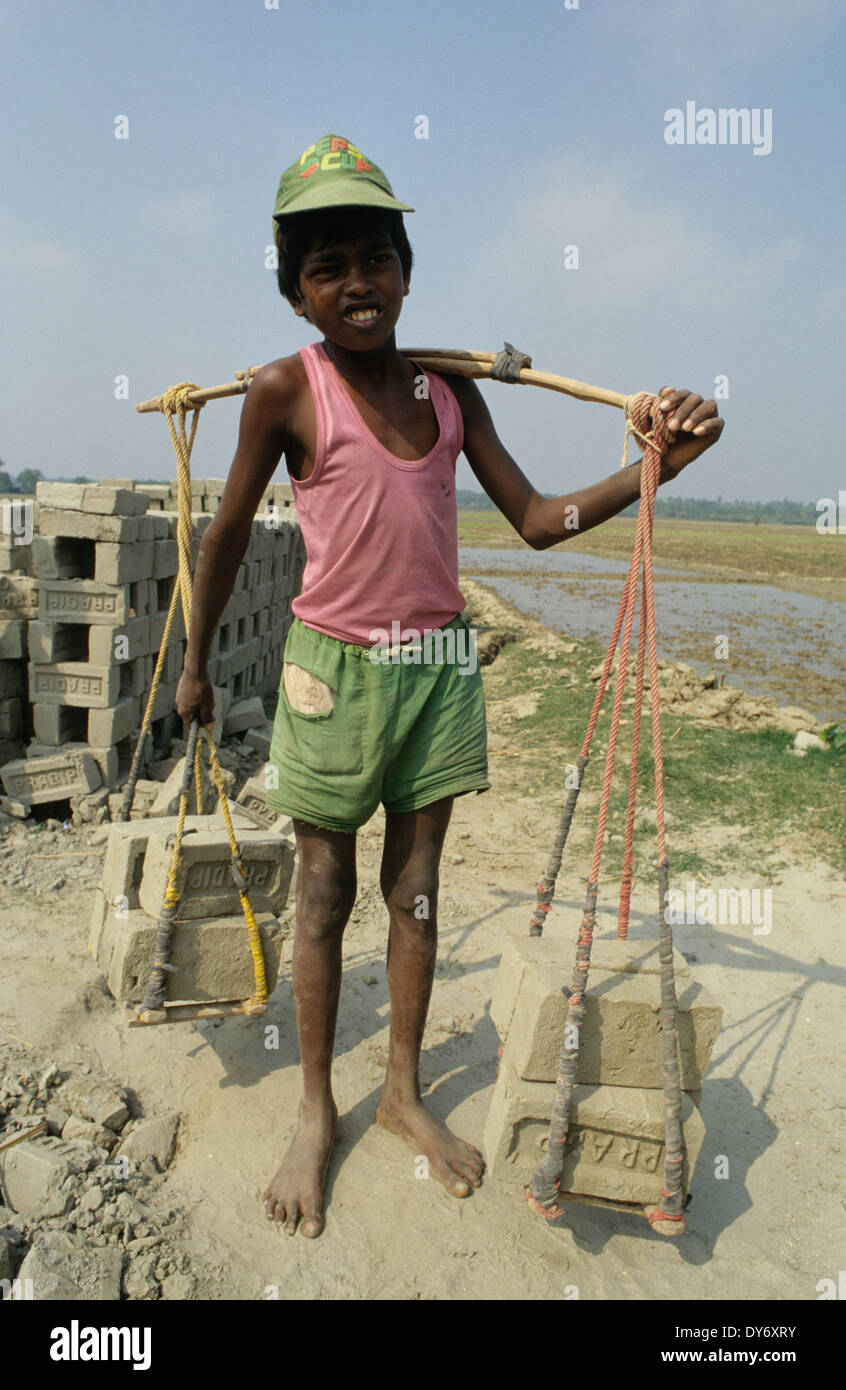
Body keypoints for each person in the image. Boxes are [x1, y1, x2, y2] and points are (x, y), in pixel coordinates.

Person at [175, 133, 725, 1239]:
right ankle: (315, 1108)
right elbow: (228, 528)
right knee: (325, 895)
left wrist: (654, 466)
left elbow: (536, 522)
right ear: (296, 295)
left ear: (407, 271)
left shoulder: (452, 392)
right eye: (326, 267)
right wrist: (192, 662)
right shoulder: (287, 390)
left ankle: (402, 1093)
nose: (357, 283)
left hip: (436, 666)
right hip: (330, 668)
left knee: (415, 889)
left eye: (375, 257)